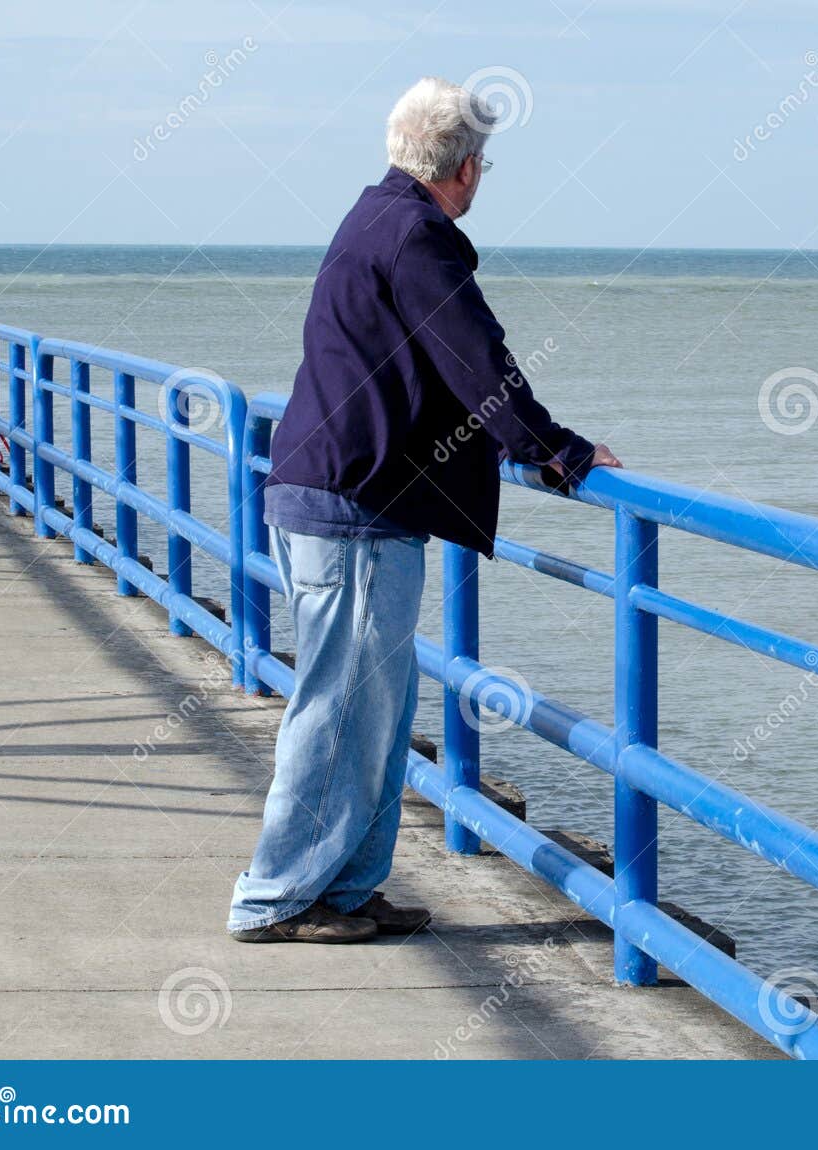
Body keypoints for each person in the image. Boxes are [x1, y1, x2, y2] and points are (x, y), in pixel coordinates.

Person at [228, 76, 620, 943]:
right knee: (338, 714)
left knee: (375, 714)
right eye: (485, 164)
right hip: (353, 508)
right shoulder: (416, 237)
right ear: (467, 167)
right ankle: (274, 897)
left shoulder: (374, 216)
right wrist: (558, 449)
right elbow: (478, 360)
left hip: (333, 490)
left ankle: (343, 889)